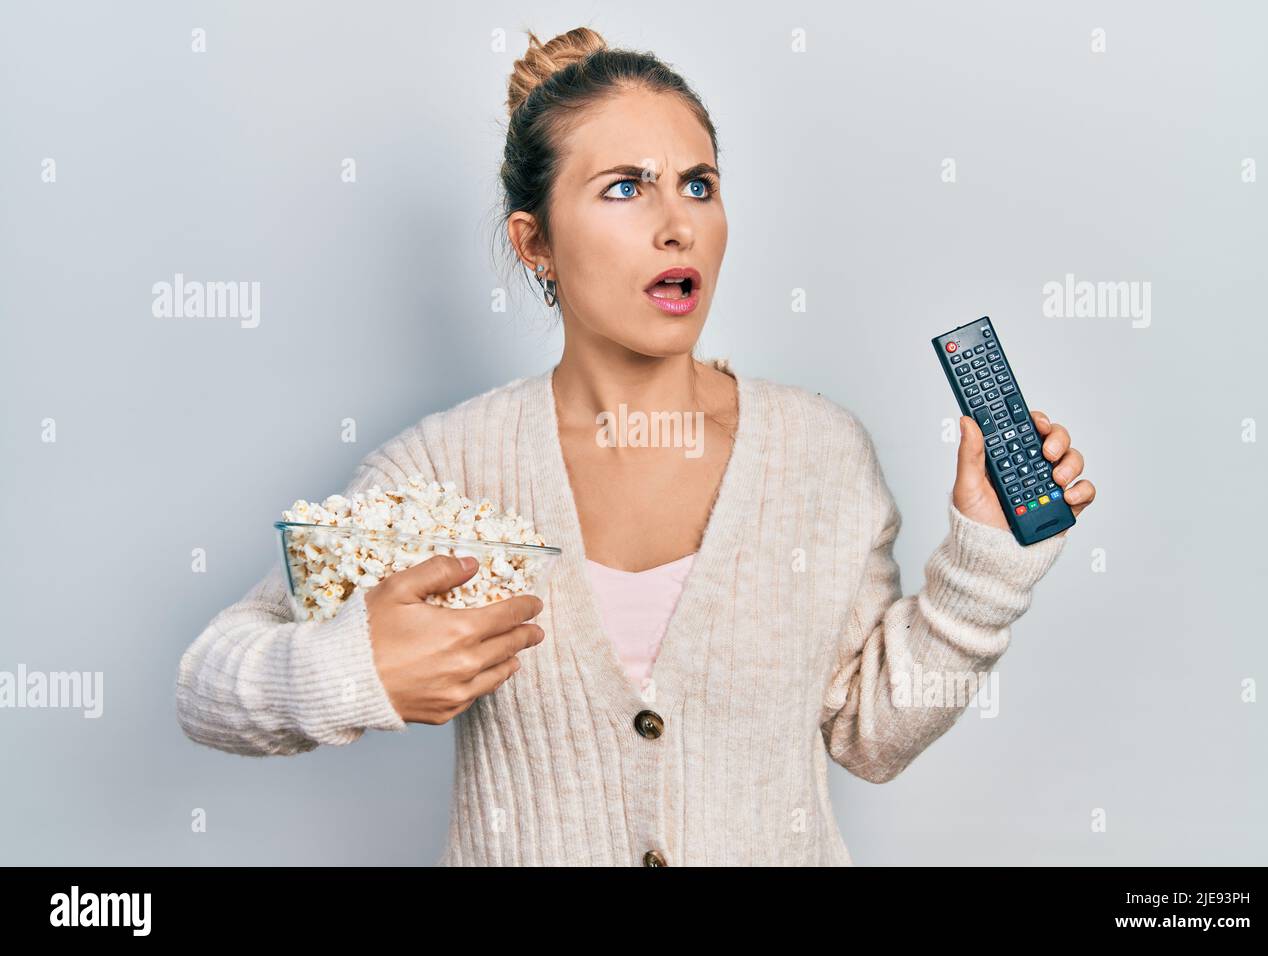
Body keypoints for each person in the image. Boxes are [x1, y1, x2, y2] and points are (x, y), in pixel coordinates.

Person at [175, 26, 1096, 866]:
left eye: (699, 184)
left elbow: (872, 736)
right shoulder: (443, 469)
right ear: (533, 243)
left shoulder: (820, 453)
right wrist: (352, 670)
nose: (677, 222)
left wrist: (986, 567)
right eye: (626, 187)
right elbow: (209, 686)